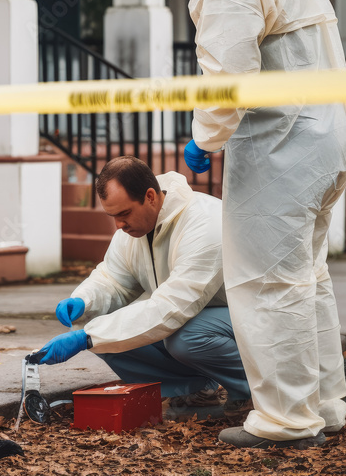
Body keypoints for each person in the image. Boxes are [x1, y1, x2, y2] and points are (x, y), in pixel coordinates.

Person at [151, 0, 346, 449]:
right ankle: (323, 405)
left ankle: (286, 421)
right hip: (327, 142)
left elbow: (227, 78)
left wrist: (202, 140)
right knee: (307, 283)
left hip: (281, 148)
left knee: (266, 286)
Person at [35, 156, 251, 418]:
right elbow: (113, 279)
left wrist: (88, 338)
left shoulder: (205, 223)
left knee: (185, 337)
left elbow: (171, 307)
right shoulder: (134, 230)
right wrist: (84, 301)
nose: (118, 225)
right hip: (199, 317)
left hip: (251, 317)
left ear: (150, 196)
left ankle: (254, 392)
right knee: (98, 322)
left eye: (124, 214)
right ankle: (195, 391)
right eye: (112, 216)